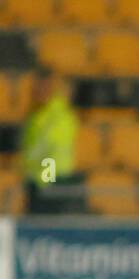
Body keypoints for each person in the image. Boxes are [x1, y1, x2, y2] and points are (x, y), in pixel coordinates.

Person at [20, 71, 82, 215]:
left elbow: (53, 150)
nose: (36, 91)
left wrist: (46, 179)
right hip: (37, 180)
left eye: (42, 87)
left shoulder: (56, 115)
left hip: (52, 181)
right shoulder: (38, 114)